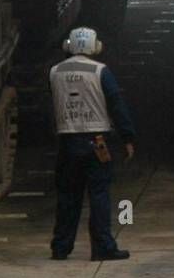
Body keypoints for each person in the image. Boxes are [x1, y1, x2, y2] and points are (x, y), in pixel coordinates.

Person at [49, 27, 136, 261]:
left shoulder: (54, 72)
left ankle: (61, 247)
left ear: (69, 45)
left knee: (68, 197)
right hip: (97, 143)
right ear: (95, 47)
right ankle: (102, 248)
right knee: (99, 195)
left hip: (67, 143)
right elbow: (116, 104)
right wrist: (128, 137)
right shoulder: (101, 71)